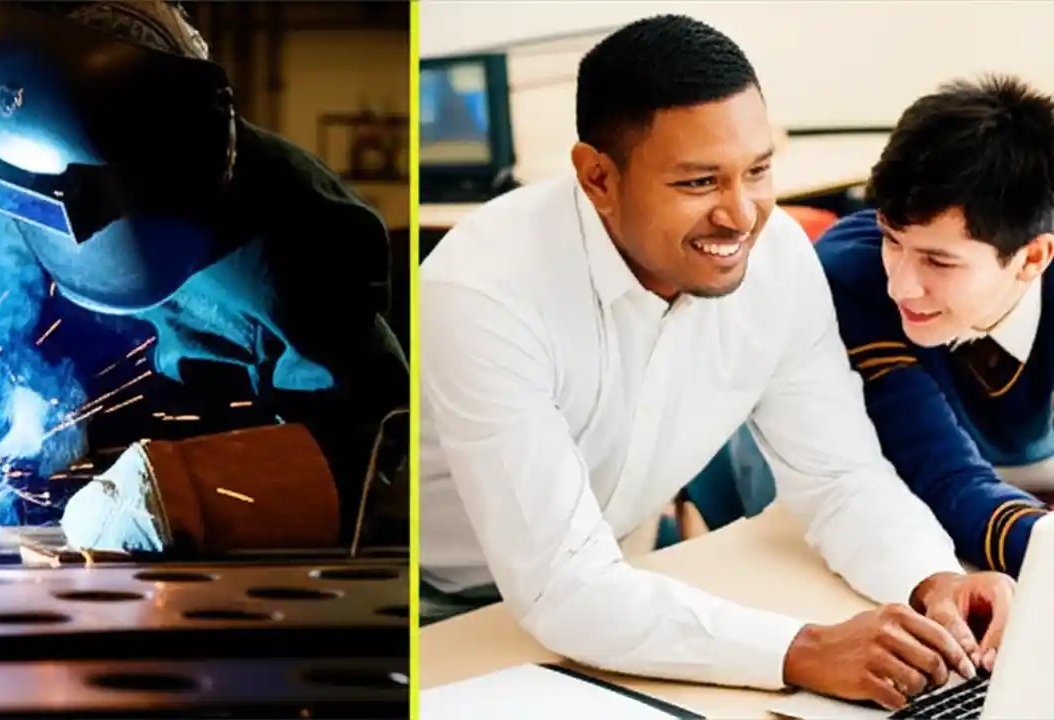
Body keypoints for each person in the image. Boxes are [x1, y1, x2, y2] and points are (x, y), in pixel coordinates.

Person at [418, 14, 1014, 711]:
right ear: (598, 178)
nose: (742, 216)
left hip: (618, 583)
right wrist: (804, 650)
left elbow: (840, 478)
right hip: (440, 612)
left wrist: (931, 580)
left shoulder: (780, 260)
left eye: (758, 171)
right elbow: (561, 586)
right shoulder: (485, 290)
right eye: (700, 182)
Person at [0, 1, 408, 539]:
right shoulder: (31, 166)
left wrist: (178, 492)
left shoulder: (300, 238)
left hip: (254, 537)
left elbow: (363, 444)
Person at [816, 76, 1054, 580]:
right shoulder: (856, 280)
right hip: (866, 509)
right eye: (892, 240)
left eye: (939, 262)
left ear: (1032, 257)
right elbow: (944, 479)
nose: (901, 286)